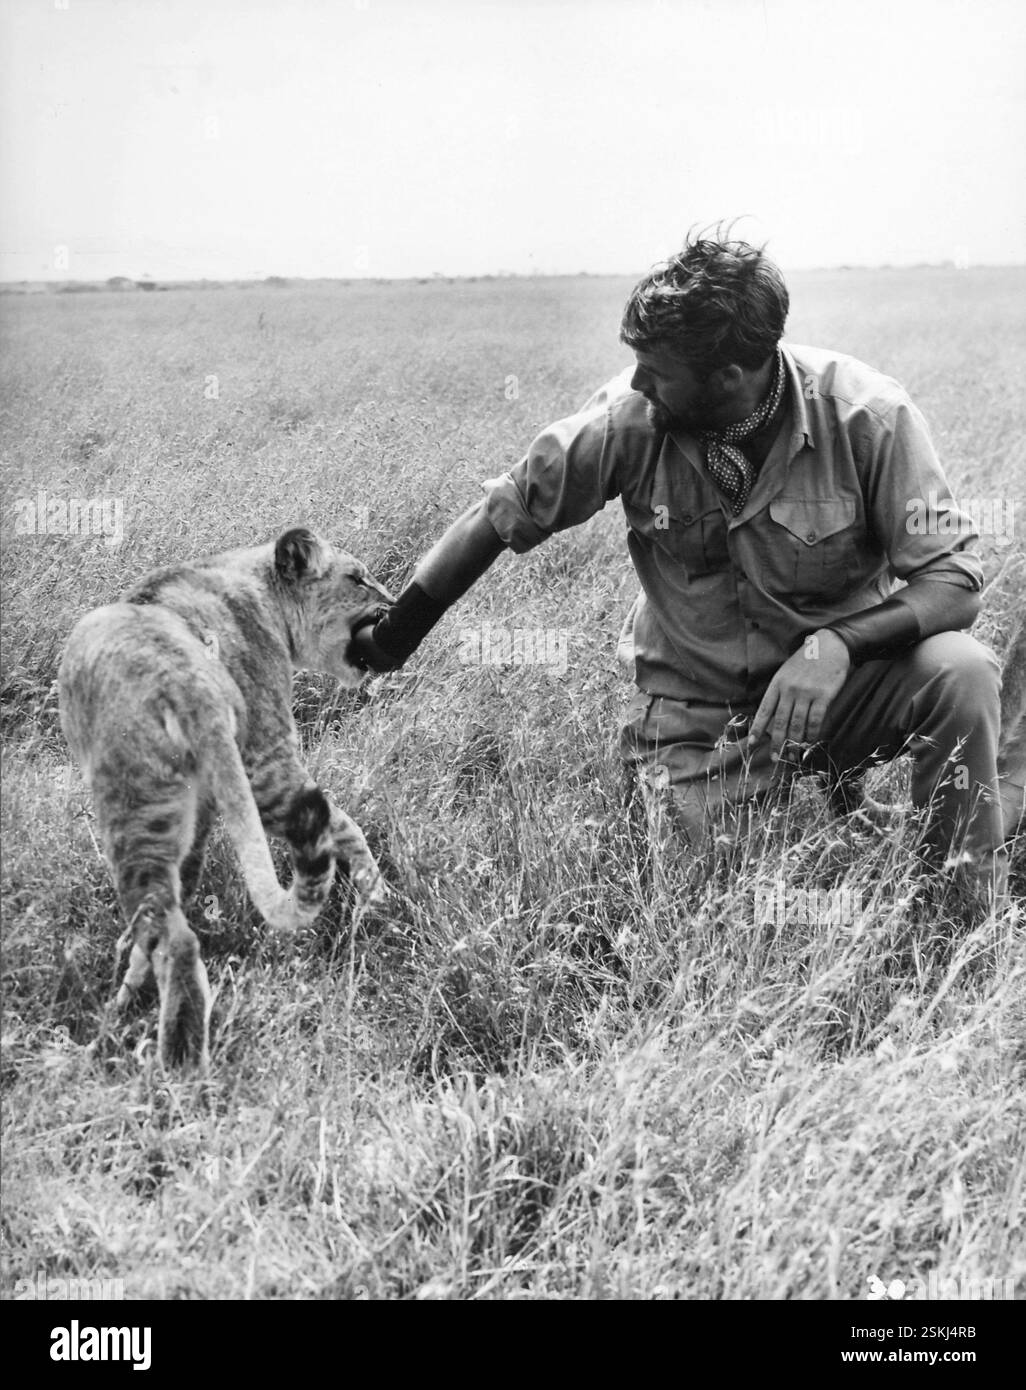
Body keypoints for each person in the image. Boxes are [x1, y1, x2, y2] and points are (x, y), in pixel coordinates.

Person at [352, 226, 1011, 915]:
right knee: (724, 912)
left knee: (961, 670)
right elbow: (496, 516)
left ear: (728, 376)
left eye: (656, 370)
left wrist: (838, 644)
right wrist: (393, 638)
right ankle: (787, 802)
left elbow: (955, 580)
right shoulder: (628, 419)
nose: (638, 382)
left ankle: (957, 913)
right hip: (702, 712)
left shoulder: (868, 417)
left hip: (837, 689)